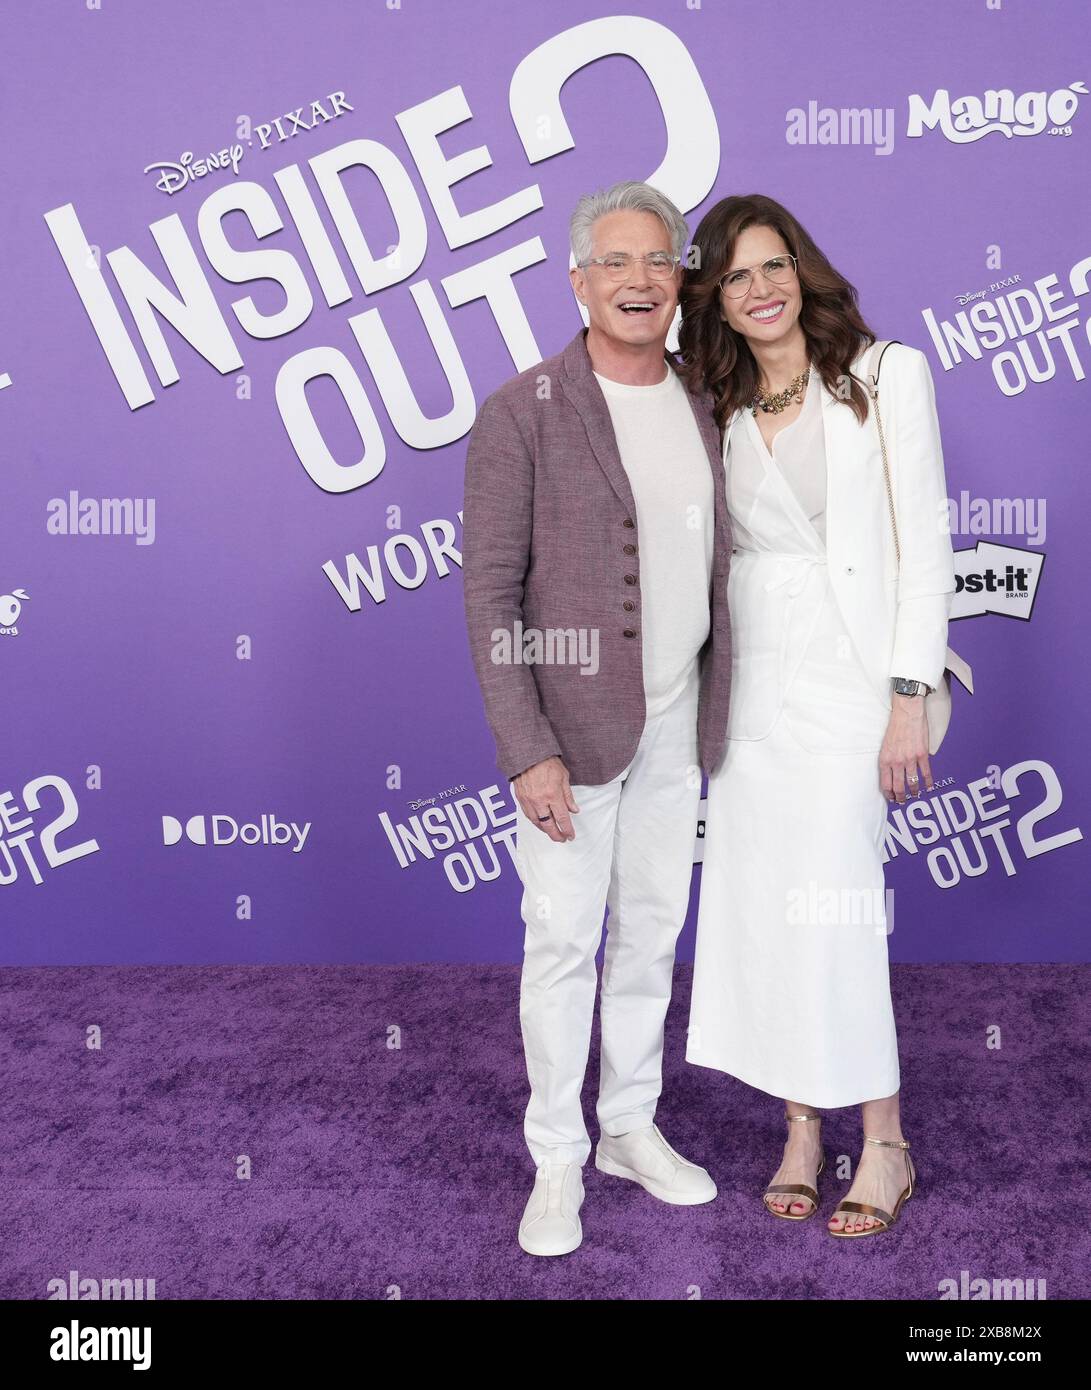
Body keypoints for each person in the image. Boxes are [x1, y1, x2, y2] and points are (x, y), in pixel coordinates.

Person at [462, 181, 733, 1256]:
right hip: (566, 737)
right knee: (563, 942)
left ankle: (627, 1123)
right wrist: (524, 746)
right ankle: (555, 1157)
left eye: (656, 261)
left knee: (652, 934)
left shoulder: (708, 399)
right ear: (577, 281)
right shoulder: (519, 408)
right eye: (613, 262)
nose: (636, 280)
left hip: (679, 718)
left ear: (680, 280)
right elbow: (488, 596)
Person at [678, 193, 955, 1237]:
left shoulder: (885, 376)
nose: (757, 290)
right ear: (714, 294)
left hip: (850, 686)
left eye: (771, 266)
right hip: (749, 690)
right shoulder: (717, 406)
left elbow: (922, 541)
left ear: (801, 269)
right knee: (759, 907)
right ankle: (800, 1128)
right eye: (734, 277)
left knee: (835, 906)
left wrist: (903, 695)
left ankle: (882, 1137)